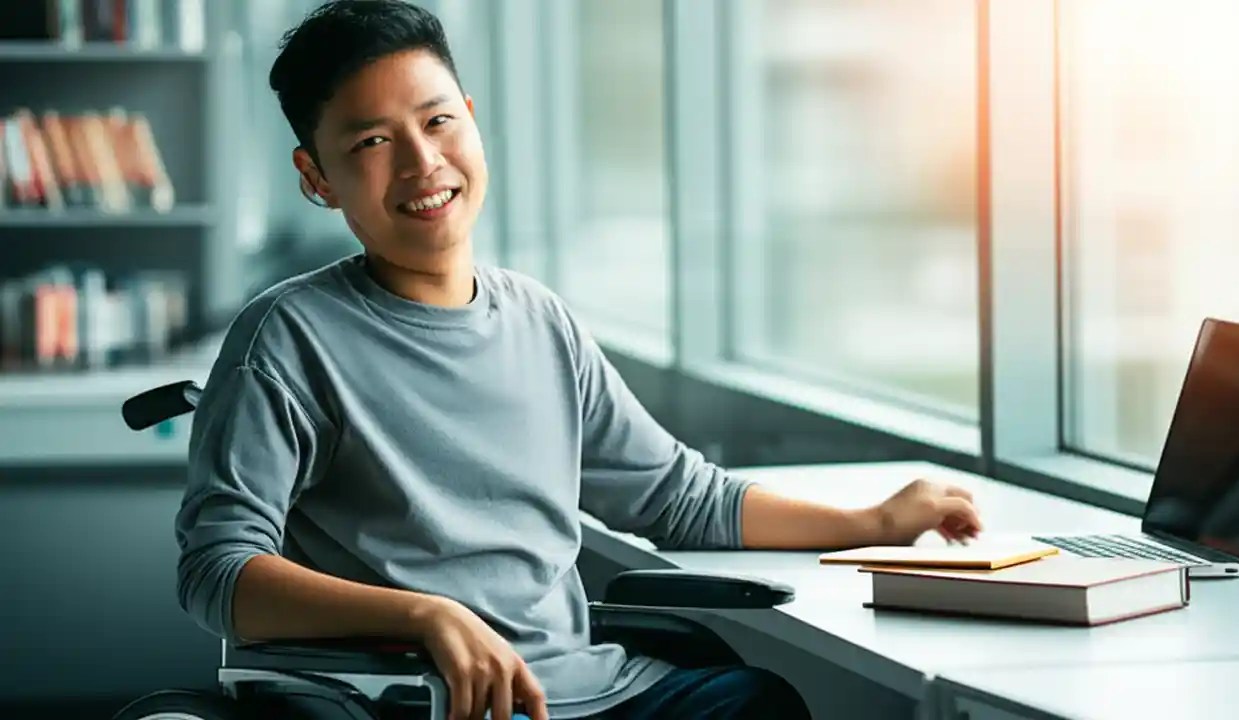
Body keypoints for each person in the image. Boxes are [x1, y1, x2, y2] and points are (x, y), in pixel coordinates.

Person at [174, 2, 984, 719]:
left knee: (754, 704)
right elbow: (219, 574)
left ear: (471, 117)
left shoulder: (541, 321)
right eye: (373, 141)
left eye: (438, 121)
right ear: (317, 178)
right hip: (415, 697)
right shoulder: (287, 339)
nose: (423, 163)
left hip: (596, 691)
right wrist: (426, 615)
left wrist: (874, 523)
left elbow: (679, 500)